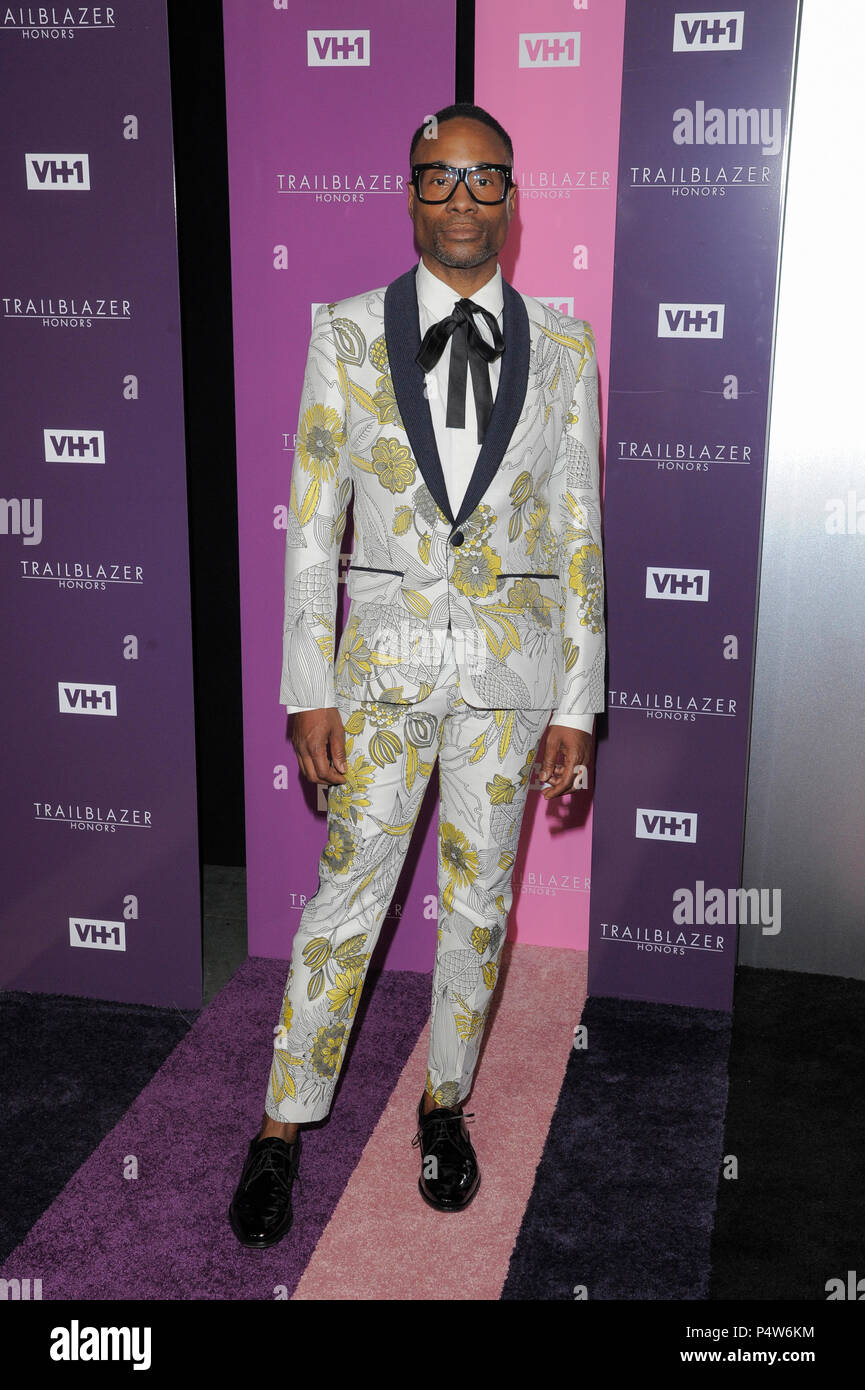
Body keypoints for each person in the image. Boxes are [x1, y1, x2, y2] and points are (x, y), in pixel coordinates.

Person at [229, 102, 605, 1248]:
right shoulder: (342, 333)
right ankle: (282, 1127)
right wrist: (306, 685)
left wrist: (578, 704)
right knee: (349, 898)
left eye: (483, 179)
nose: (461, 200)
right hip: (382, 676)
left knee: (482, 904)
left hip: (509, 681)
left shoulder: (566, 343)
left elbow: (581, 527)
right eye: (438, 180)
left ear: (511, 198)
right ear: (408, 195)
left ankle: (445, 1106)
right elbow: (311, 526)